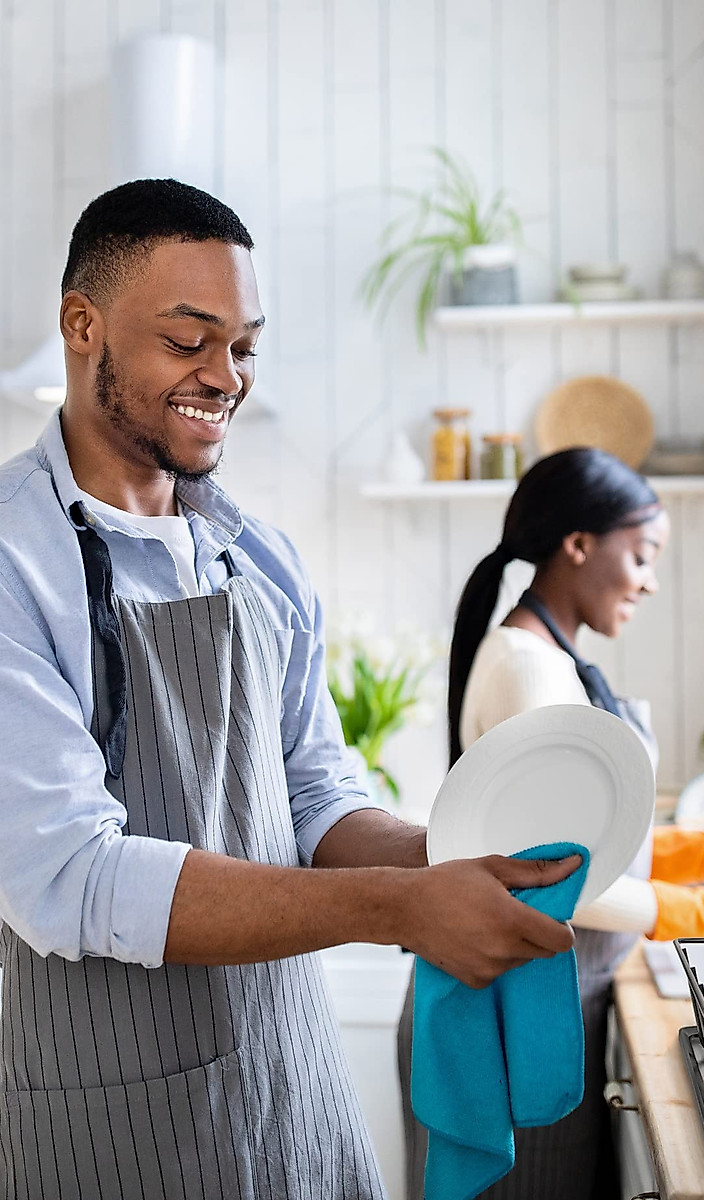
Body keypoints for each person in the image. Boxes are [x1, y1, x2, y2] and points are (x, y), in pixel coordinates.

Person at [0, 179, 582, 1199]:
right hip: (112, 1128)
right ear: (82, 327)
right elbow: (68, 876)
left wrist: (448, 855)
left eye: (244, 347)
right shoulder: (16, 560)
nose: (225, 376)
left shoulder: (258, 558)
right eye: (188, 341)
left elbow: (314, 793)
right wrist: (400, 906)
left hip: (295, 1103)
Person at [398, 447, 704, 1200]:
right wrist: (701, 911)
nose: (650, 581)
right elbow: (550, 873)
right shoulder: (529, 668)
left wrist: (687, 851)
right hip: (511, 1017)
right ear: (579, 544)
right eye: (642, 556)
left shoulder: (550, 658)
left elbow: (571, 833)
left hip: (543, 995)